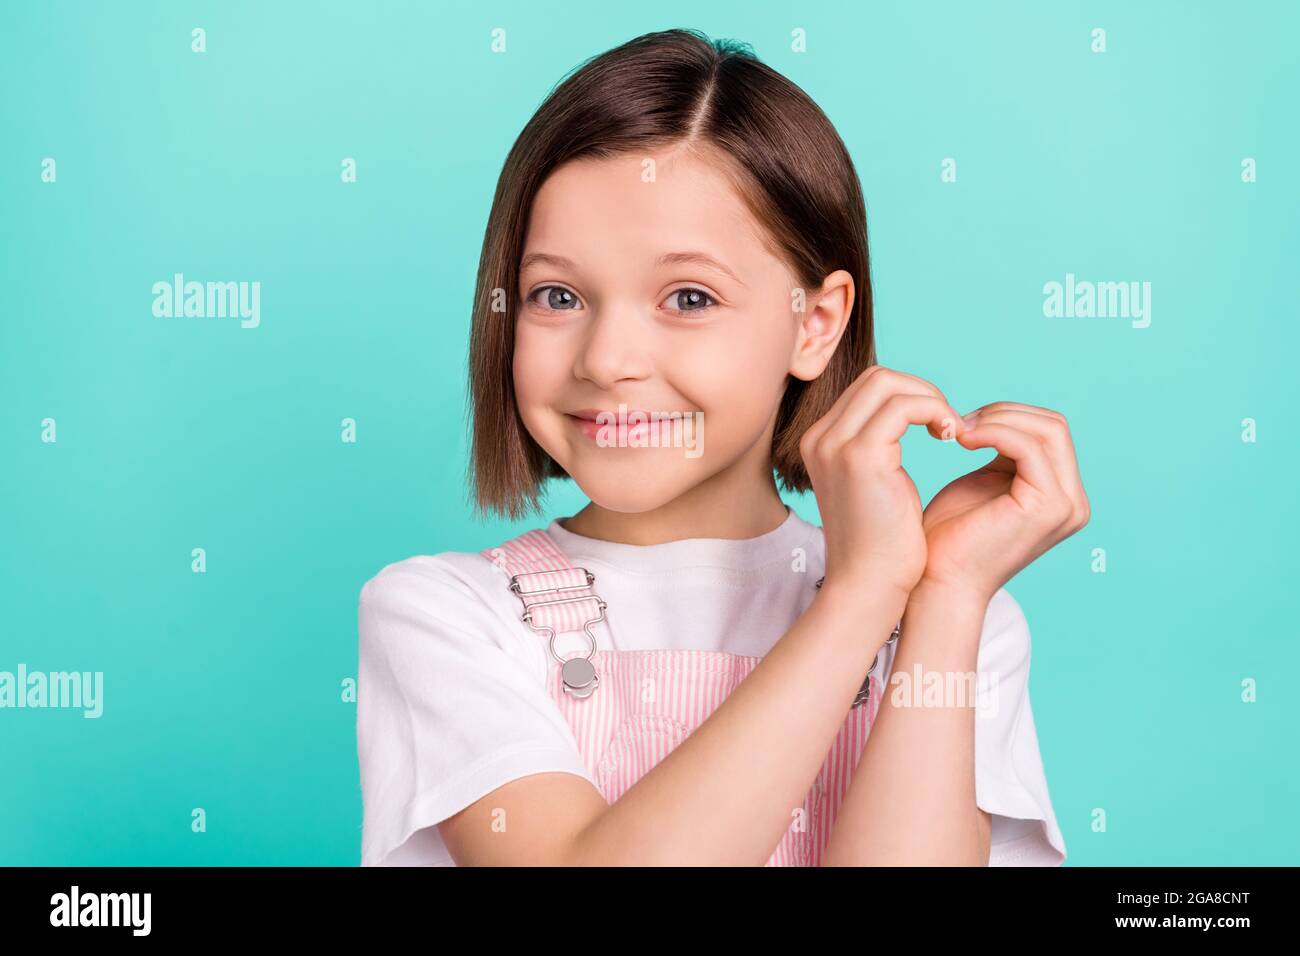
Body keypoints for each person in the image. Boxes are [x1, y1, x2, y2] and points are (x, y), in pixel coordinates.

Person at [356, 28, 1088, 867]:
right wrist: (859, 596)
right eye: (556, 295)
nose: (606, 360)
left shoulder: (957, 622)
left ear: (814, 323)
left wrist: (940, 598)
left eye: (689, 297)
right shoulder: (447, 616)